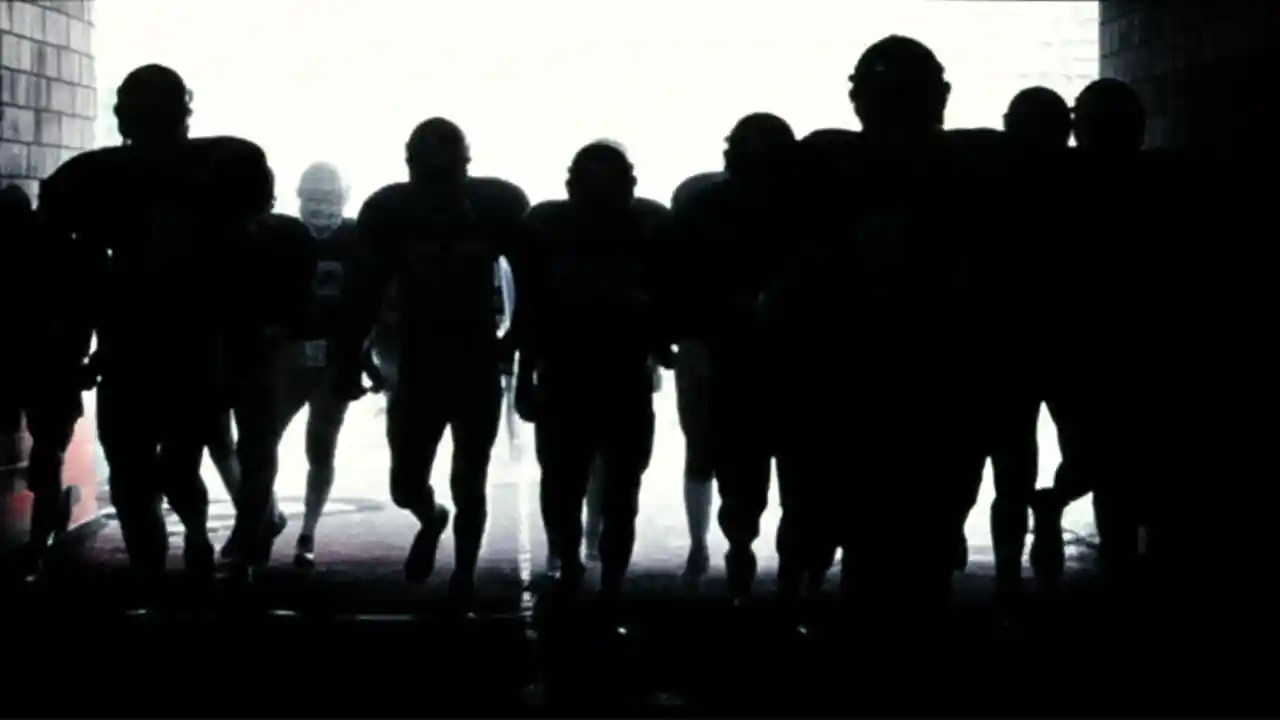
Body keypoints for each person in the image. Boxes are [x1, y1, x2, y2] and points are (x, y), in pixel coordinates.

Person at [38, 65, 275, 594]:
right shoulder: (224, 165)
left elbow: (69, 273)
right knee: (169, 466)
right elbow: (247, 262)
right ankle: (186, 545)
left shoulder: (93, 178)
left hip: (136, 345)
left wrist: (71, 349)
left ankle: (156, 569)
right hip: (186, 344)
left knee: (138, 470)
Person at [333, 118, 528, 607]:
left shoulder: (404, 210)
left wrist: (516, 342)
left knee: (469, 478)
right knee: (406, 484)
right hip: (424, 362)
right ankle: (433, 519)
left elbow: (528, 282)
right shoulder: (485, 206)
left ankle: (463, 572)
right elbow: (364, 290)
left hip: (466, 360)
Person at [514, 141, 671, 608]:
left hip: (577, 375)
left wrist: (524, 375)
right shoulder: (648, 228)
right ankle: (604, 577)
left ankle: (575, 566)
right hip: (612, 376)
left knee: (573, 485)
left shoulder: (547, 228)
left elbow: (531, 310)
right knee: (610, 488)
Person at [671, 114, 806, 601]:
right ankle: (785, 571)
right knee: (793, 478)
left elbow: (683, 287)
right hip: (786, 360)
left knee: (742, 477)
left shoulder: (702, 207)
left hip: (735, 359)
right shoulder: (807, 209)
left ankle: (741, 554)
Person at [0, 184, 86, 578]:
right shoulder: (66, 251)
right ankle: (43, 535)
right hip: (53, 370)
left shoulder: (31, 253)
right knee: (47, 455)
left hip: (36, 368)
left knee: (44, 456)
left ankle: (42, 535)